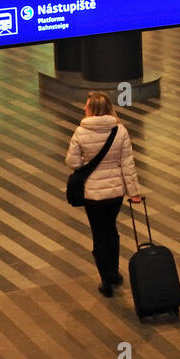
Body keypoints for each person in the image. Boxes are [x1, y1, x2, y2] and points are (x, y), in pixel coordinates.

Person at [65, 91, 141, 297]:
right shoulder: (120, 130)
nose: (83, 108)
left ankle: (106, 279)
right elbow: (128, 164)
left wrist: (86, 164)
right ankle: (114, 272)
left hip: (93, 194)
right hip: (115, 193)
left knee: (99, 234)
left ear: (93, 109)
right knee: (111, 230)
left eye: (86, 105)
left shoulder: (81, 132)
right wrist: (134, 192)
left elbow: (72, 162)